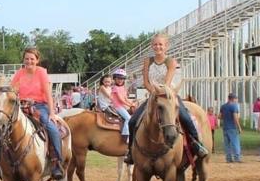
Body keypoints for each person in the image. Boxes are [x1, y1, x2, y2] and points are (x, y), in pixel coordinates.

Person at [125, 32, 209, 165]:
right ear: (152, 46)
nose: (158, 47)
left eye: (160, 44)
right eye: (155, 44)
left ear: (166, 46)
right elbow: (146, 82)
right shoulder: (147, 61)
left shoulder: (171, 61)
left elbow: (167, 83)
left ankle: (196, 144)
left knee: (185, 117)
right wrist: (153, 94)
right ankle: (131, 151)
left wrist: (159, 93)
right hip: (153, 96)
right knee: (132, 121)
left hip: (169, 95)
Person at [0, 47, 64, 180]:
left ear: (37, 60)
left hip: (40, 106)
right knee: (1, 126)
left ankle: (56, 162)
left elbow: (48, 94)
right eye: (26, 59)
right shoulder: (19, 73)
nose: (29, 61)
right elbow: (12, 91)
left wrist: (52, 113)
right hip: (21, 106)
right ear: (23, 60)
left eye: (32, 59)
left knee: (52, 128)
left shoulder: (41, 72)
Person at [99, 69, 133, 139]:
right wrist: (118, 99)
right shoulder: (102, 87)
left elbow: (124, 98)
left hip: (112, 104)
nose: (107, 83)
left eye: (108, 81)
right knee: (128, 118)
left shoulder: (113, 87)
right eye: (105, 81)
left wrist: (131, 103)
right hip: (106, 105)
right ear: (102, 81)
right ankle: (125, 134)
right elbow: (109, 96)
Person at [220, 93, 243, 163]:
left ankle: (228, 158)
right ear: (233, 99)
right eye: (236, 99)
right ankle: (237, 158)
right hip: (232, 127)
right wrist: (239, 127)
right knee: (235, 143)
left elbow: (219, 116)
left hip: (225, 127)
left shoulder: (223, 106)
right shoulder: (234, 106)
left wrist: (226, 117)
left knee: (227, 145)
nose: (236, 100)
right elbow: (235, 118)